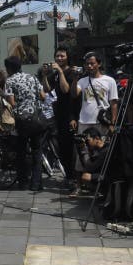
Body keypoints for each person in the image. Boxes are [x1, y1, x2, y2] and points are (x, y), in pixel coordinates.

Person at [64, 52, 118, 197]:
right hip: (85, 122)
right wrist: (75, 79)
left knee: (102, 154)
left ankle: (98, 185)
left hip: (102, 123)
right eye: (87, 63)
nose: (89, 66)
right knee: (80, 154)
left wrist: (113, 122)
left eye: (92, 63)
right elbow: (74, 94)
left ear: (99, 64)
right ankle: (78, 186)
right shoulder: (83, 81)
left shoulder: (109, 80)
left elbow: (113, 103)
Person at [4, 55, 46, 191]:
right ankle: (37, 183)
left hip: (21, 121)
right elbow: (43, 96)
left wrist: (20, 105)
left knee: (21, 152)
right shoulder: (33, 77)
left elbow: (11, 102)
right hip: (36, 118)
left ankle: (23, 182)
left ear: (9, 68)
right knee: (37, 151)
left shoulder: (10, 81)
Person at [50, 47, 80, 180]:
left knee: (71, 148)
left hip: (71, 114)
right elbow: (47, 88)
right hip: (60, 115)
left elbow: (66, 90)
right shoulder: (55, 74)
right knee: (62, 148)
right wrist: (46, 75)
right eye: (57, 56)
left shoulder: (70, 72)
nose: (59, 58)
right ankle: (69, 176)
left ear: (67, 57)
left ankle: (74, 177)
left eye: (62, 56)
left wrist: (61, 72)